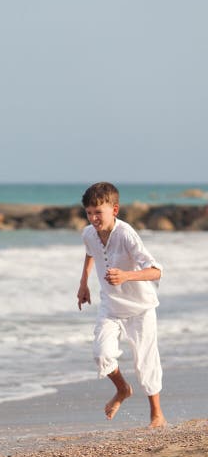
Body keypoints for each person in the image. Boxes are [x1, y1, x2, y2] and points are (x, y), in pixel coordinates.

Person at [76, 182, 166, 428]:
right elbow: (90, 251)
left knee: (145, 361)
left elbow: (157, 271)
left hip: (140, 307)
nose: (94, 218)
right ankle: (123, 389)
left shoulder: (126, 234)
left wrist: (127, 275)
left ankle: (156, 414)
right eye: (89, 212)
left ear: (114, 210)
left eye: (98, 212)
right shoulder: (88, 233)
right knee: (102, 353)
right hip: (111, 306)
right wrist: (84, 283)